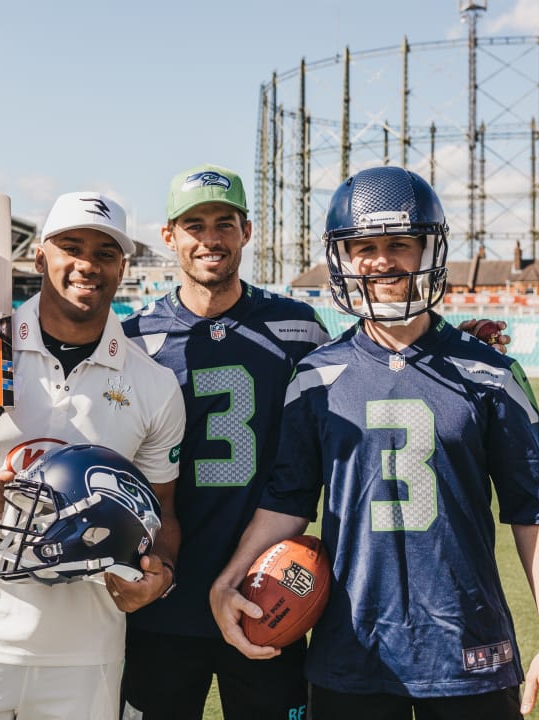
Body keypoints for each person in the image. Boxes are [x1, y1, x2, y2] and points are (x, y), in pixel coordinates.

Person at [119, 163, 514, 720]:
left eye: (224, 223)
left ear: (246, 231)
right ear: (170, 237)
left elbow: (371, 361)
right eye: (195, 225)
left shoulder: (298, 327)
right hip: (164, 593)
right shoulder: (134, 338)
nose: (210, 238)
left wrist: (457, 342)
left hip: (271, 589)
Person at [210, 166, 539, 720]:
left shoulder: (490, 372)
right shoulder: (316, 375)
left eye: (400, 244)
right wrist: (229, 579)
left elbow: (535, 517)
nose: (382, 261)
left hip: (468, 650)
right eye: (365, 246)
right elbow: (286, 502)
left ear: (429, 249)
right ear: (343, 258)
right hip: (352, 649)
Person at [0, 191, 186, 720]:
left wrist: (159, 571)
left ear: (123, 266)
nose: (86, 265)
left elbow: (162, 509)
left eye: (105, 252)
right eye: (70, 246)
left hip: (86, 651)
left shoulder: (154, 384)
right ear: (39, 256)